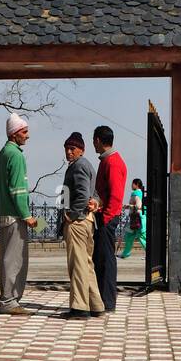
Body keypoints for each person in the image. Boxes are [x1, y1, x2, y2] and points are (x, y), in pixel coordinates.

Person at [0, 113, 38, 315]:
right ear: (15, 134)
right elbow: (19, 190)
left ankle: (6, 298)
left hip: (3, 213)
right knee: (15, 260)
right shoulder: (16, 156)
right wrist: (27, 215)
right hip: (15, 217)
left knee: (6, 258)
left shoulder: (3, 154)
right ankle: (9, 301)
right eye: (24, 132)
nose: (27, 136)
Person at [61, 132, 104, 318]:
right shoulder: (87, 165)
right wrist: (95, 201)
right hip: (87, 221)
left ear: (81, 150)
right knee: (86, 264)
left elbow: (82, 193)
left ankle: (80, 307)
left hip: (78, 222)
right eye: (67, 149)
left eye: (73, 149)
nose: (69, 152)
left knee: (77, 264)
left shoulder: (78, 166)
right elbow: (93, 193)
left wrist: (71, 215)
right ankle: (96, 304)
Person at [88, 124, 127, 313]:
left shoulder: (112, 162)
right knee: (101, 259)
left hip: (107, 218)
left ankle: (108, 301)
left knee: (106, 260)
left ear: (97, 140)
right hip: (104, 216)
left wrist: (106, 216)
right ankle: (102, 299)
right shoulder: (108, 160)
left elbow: (116, 195)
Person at [121, 178, 146, 258]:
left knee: (138, 236)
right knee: (130, 236)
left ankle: (126, 253)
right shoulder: (141, 193)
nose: (131, 185)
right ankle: (125, 253)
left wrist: (128, 206)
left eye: (132, 183)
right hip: (138, 218)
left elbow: (138, 206)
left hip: (136, 218)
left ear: (136, 184)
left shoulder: (136, 193)